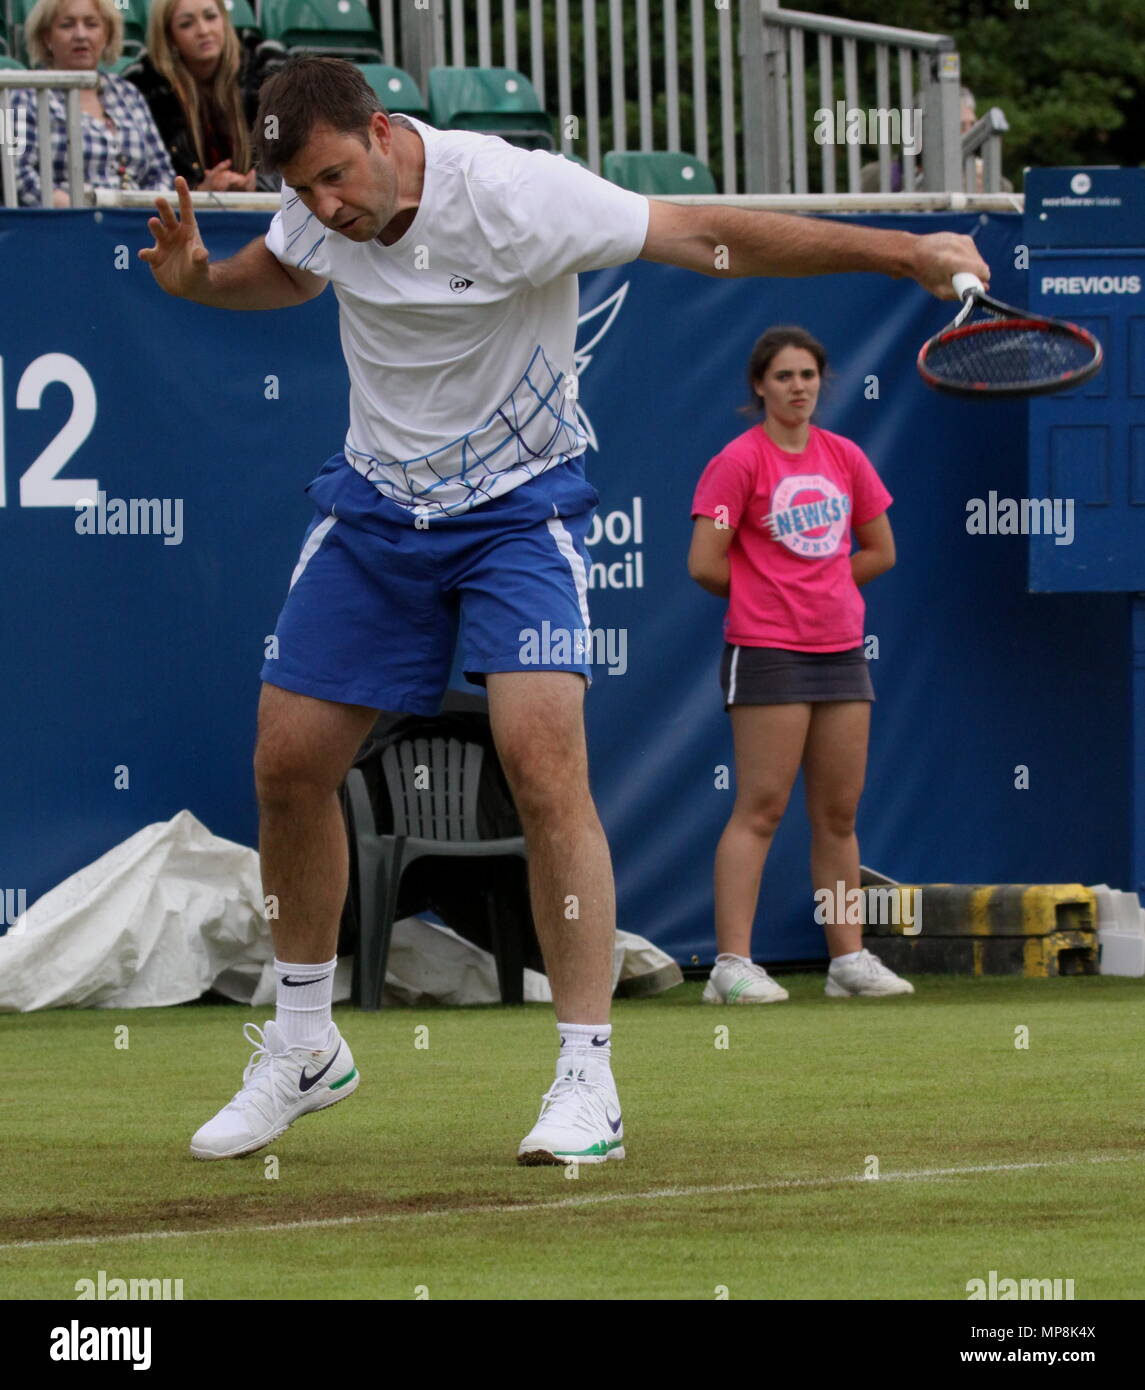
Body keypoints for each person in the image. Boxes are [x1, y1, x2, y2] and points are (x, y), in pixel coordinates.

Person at [139, 57, 988, 1165]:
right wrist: (202, 282)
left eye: (339, 178)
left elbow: (709, 234)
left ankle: (587, 1076)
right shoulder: (320, 213)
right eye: (304, 191)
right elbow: (286, 273)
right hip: (376, 511)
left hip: (516, 515)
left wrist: (900, 250)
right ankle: (303, 1043)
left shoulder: (516, 195)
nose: (328, 206)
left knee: (542, 765)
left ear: (385, 132)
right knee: (287, 761)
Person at [689, 326, 913, 1005]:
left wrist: (829, 586)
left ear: (821, 382)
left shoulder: (843, 457)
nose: (797, 387)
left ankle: (847, 960)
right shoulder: (738, 460)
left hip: (840, 650)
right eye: (783, 376)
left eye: (807, 375)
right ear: (760, 385)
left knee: (838, 814)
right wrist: (772, 592)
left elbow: (880, 549)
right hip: (765, 650)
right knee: (760, 807)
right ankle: (730, 967)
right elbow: (704, 562)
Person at [12, 0, 174, 206]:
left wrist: (145, 212)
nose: (81, 35)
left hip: (136, 227)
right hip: (63, 225)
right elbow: (17, 174)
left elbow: (162, 172)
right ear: (46, 37)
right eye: (67, 25)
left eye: (92, 24)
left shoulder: (129, 92)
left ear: (106, 35)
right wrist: (81, 210)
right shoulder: (20, 94)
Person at [123, 0, 279, 192]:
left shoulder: (266, 68)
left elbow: (289, 148)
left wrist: (258, 184)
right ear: (169, 36)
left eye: (211, 17)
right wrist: (198, 191)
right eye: (186, 24)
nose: (203, 31)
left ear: (224, 20)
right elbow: (151, 173)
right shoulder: (146, 86)